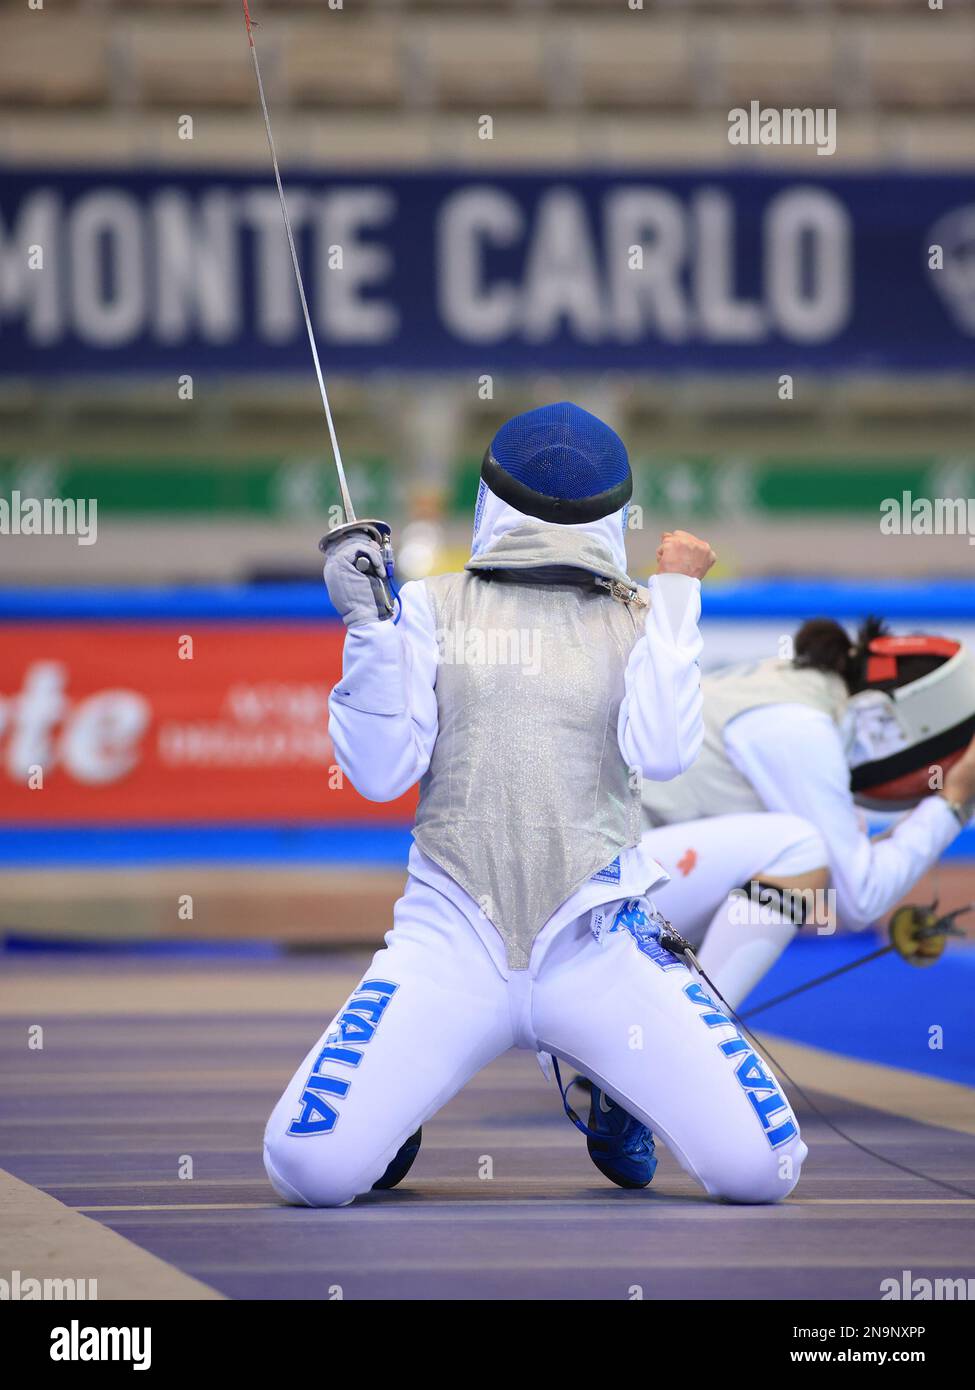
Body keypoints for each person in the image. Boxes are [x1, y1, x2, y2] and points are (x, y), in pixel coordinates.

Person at [262, 402, 806, 1207]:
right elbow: (378, 774)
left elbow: (662, 752)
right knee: (309, 1169)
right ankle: (395, 1100)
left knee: (762, 1171)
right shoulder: (430, 606)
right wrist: (369, 631)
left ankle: (611, 1086)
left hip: (599, 945)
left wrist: (676, 601)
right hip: (451, 941)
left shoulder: (640, 615)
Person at [582, 616, 975, 1189]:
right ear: (893, 721)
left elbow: (843, 884)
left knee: (790, 860)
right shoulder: (797, 726)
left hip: (606, 882)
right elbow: (860, 898)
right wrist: (954, 802)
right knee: (801, 848)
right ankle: (667, 1053)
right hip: (595, 888)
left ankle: (624, 1043)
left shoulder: (787, 693)